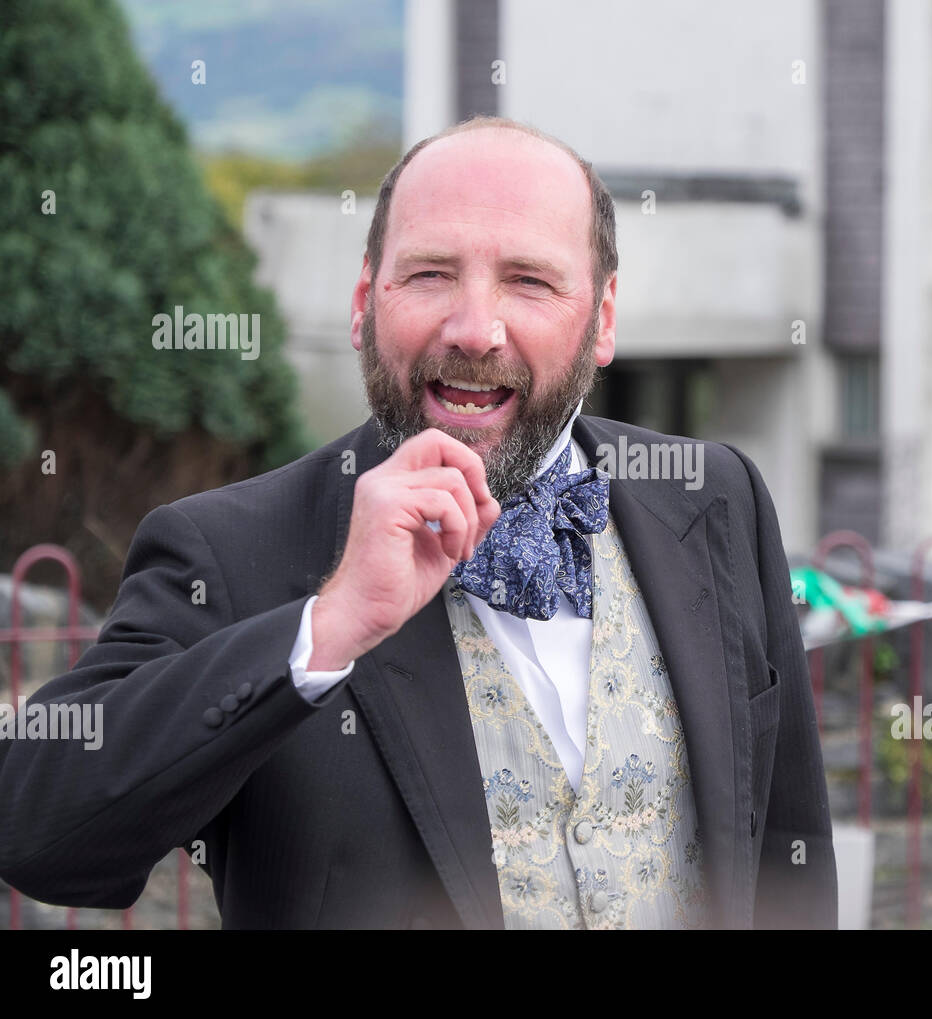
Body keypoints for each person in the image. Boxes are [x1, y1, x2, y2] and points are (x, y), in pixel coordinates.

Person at [0, 116, 837, 929]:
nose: (474, 329)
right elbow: (40, 834)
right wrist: (325, 628)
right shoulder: (223, 552)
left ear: (604, 317)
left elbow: (790, 851)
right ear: (366, 300)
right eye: (430, 273)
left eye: (529, 280)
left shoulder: (714, 497)